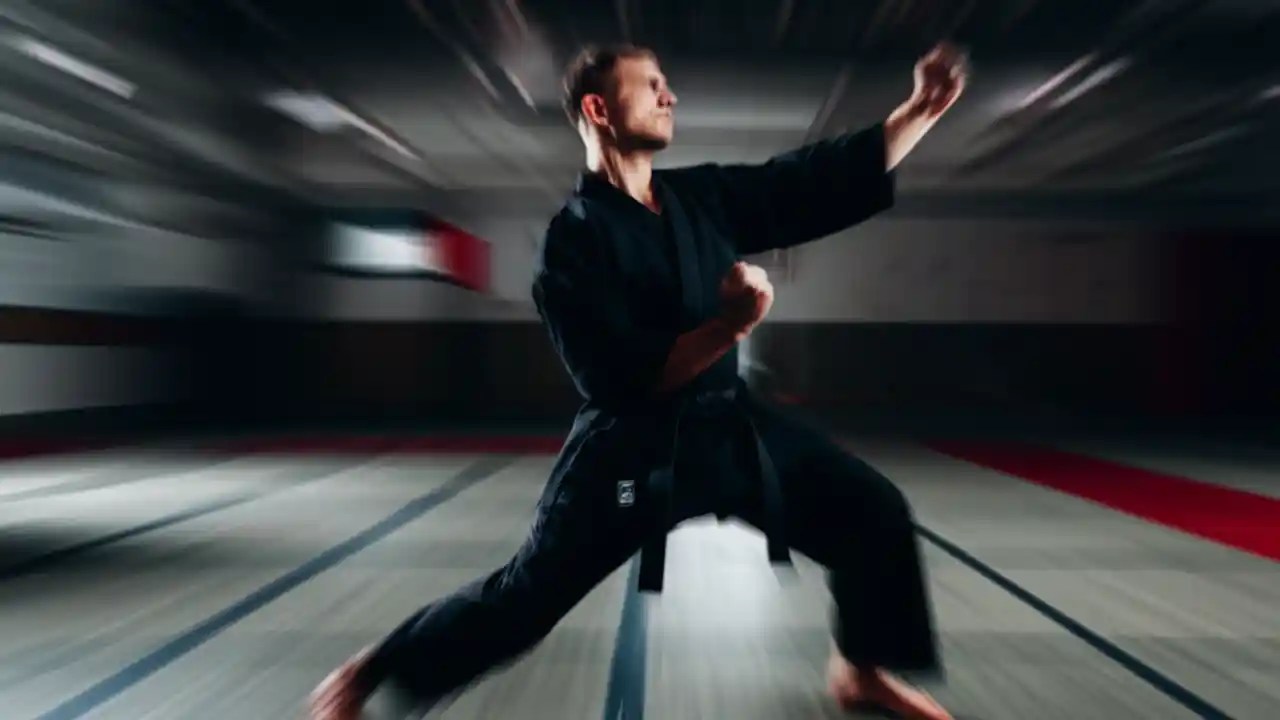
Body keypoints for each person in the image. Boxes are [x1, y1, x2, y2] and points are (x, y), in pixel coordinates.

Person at [311, 41, 968, 720]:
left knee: (873, 510)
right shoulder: (573, 242)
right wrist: (730, 326)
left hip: (729, 426)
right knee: (525, 600)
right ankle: (377, 667)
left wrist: (918, 111)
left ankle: (860, 672)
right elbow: (620, 381)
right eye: (651, 84)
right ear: (599, 108)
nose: (669, 95)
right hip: (633, 449)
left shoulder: (697, 197)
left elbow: (802, 182)